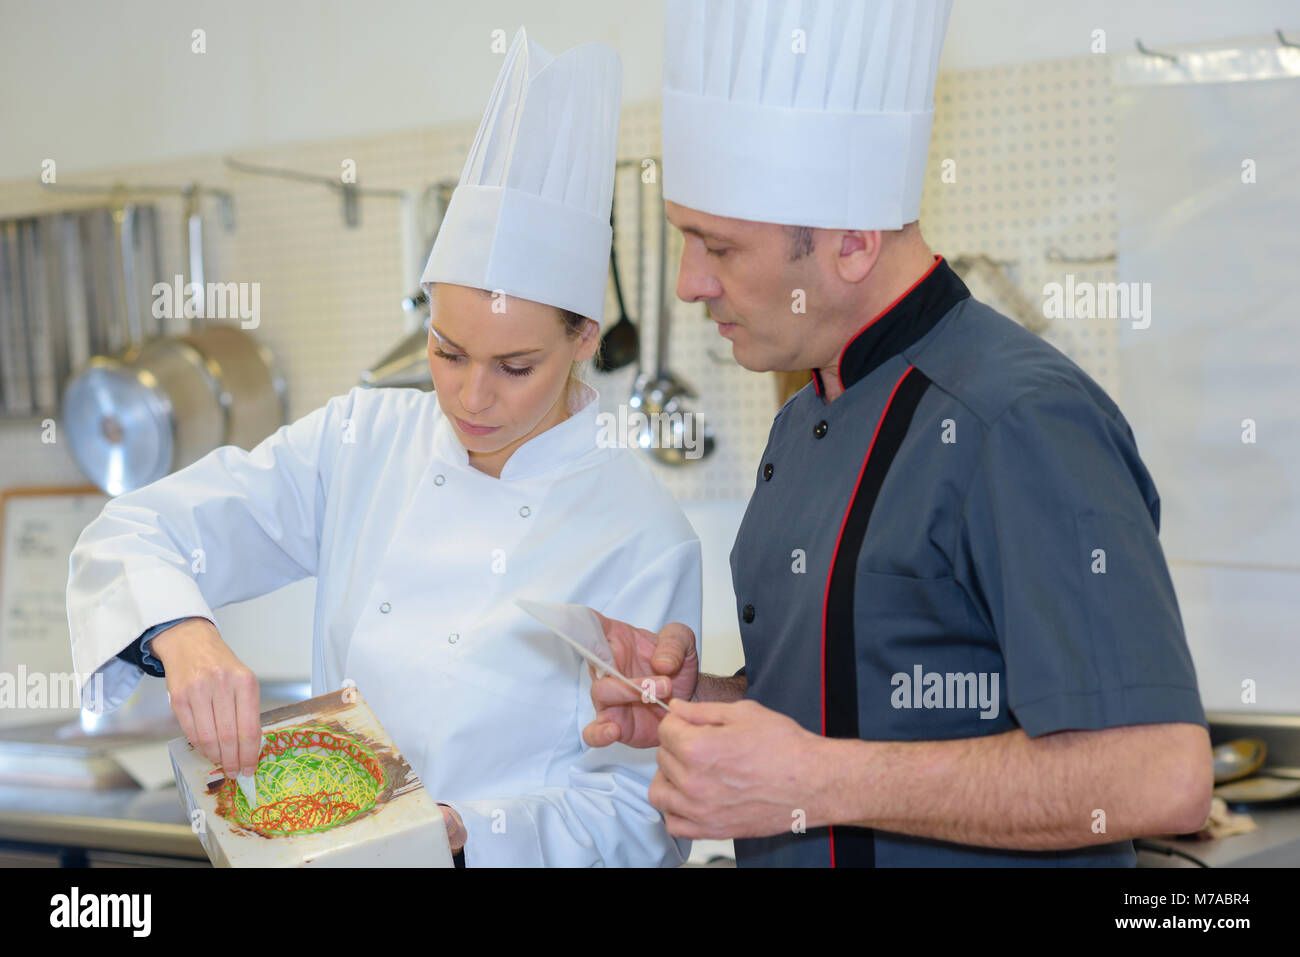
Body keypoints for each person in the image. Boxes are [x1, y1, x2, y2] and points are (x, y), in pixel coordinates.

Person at [583, 0, 1213, 867]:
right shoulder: (803, 415)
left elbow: (1156, 773)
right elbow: (860, 705)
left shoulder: (1016, 419)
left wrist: (818, 783)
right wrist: (704, 702)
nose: (691, 284)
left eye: (718, 248)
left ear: (850, 244)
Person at [66, 27, 702, 868]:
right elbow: (133, 532)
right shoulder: (361, 438)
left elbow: (636, 817)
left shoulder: (643, 534)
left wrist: (459, 829)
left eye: (515, 366)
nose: (471, 397)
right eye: (446, 350)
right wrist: (184, 632)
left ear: (586, 337)